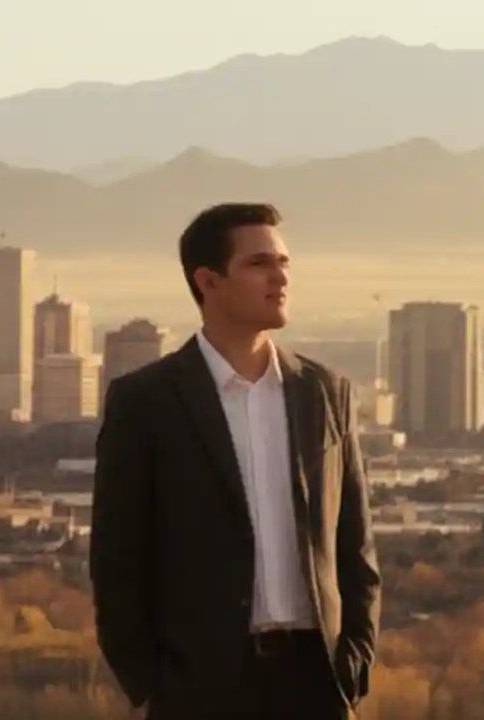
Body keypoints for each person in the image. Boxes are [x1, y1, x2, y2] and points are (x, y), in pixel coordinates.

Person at [90, 203, 381, 718]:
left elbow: (355, 544)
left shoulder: (324, 393)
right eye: (259, 264)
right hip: (200, 691)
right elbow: (117, 560)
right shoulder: (147, 401)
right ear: (208, 281)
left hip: (317, 684)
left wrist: (353, 661)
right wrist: (152, 684)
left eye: (284, 263)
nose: (280, 277)